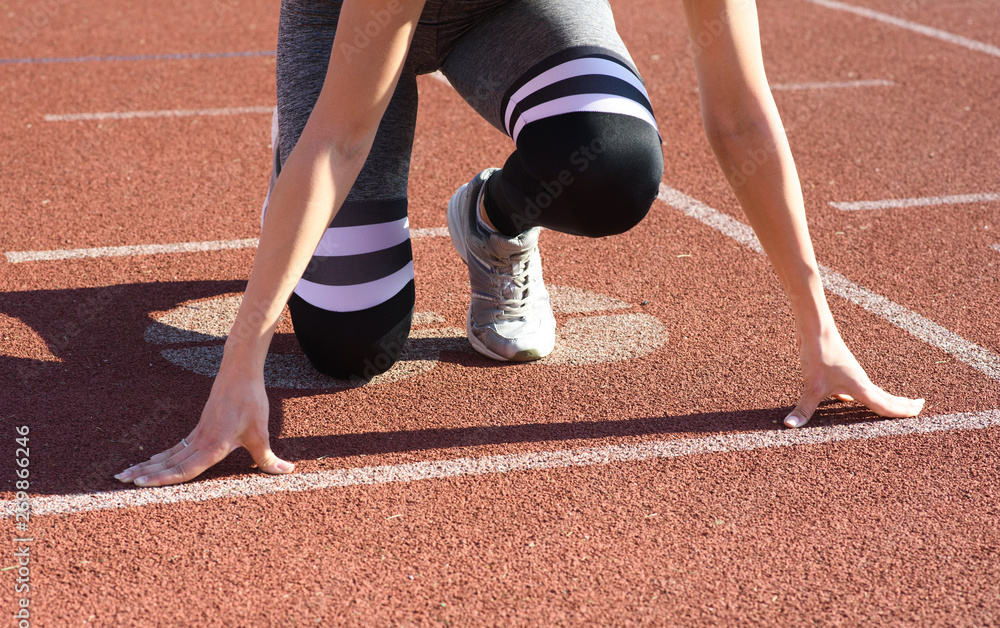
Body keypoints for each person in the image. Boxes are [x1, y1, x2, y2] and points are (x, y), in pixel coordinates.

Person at [116, 0, 924, 488]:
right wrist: (240, 365)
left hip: (509, 13)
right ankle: (290, 195)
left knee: (609, 165)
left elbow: (742, 118)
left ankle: (494, 223)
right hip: (351, 24)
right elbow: (339, 138)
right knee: (350, 346)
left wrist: (821, 332)